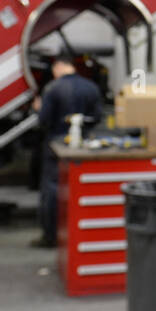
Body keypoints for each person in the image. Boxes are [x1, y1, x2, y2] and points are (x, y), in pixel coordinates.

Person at [32, 54, 102, 249]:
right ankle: (80, 235)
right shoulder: (91, 87)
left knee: (52, 190)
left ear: (59, 67)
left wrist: (38, 108)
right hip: (83, 147)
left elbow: (43, 120)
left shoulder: (52, 88)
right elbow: (97, 117)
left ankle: (50, 236)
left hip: (56, 145)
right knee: (83, 190)